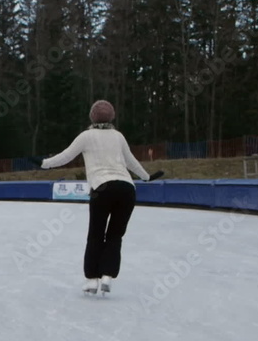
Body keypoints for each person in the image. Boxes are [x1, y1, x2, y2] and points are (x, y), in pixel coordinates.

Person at [34, 100, 162, 294]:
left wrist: (44, 163)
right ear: (112, 117)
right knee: (115, 235)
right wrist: (147, 177)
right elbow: (132, 162)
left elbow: (66, 156)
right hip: (127, 189)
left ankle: (92, 279)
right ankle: (107, 276)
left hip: (102, 188)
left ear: (92, 117)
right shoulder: (118, 136)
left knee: (96, 233)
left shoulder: (86, 136)